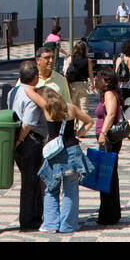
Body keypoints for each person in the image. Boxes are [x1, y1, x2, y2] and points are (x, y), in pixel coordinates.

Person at [38, 87, 94, 233]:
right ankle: (68, 225)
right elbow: (89, 121)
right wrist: (79, 134)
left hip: (54, 154)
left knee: (51, 188)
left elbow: (29, 93)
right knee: (70, 191)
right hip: (72, 153)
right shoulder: (71, 108)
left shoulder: (47, 109)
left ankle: (50, 224)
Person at [11, 60, 48, 231]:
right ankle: (30, 219)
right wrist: (20, 140)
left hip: (18, 140)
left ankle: (28, 216)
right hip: (30, 141)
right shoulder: (31, 96)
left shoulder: (13, 92)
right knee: (31, 183)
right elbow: (27, 124)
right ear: (35, 77)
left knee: (28, 180)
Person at [94, 69, 124, 225]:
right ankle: (109, 211)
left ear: (105, 81)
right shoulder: (109, 93)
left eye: (98, 78)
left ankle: (109, 213)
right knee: (109, 175)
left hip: (108, 140)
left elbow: (111, 114)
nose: (96, 80)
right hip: (108, 139)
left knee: (107, 175)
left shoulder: (109, 94)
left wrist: (103, 133)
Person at [64, 40, 94, 136]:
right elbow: (90, 73)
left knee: (73, 106)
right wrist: (92, 84)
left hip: (72, 85)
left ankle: (72, 128)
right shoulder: (88, 60)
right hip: (83, 85)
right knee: (83, 108)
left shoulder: (70, 59)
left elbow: (65, 73)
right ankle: (82, 130)